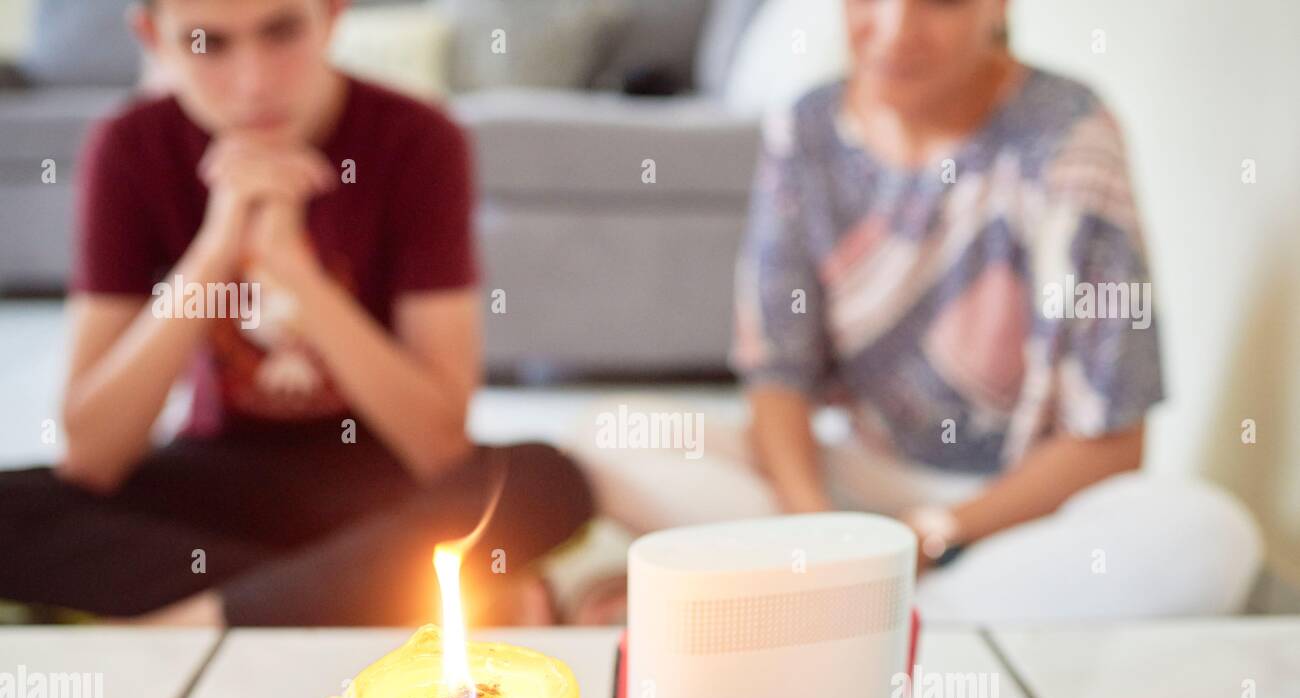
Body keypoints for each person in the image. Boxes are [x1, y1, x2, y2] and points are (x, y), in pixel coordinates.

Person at [568, 0, 1262, 622]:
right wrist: (818, 532)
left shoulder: (1073, 136)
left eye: (941, 2)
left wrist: (932, 534)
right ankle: (860, 600)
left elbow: (1114, 445)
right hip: (857, 483)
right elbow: (778, 377)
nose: (896, 29)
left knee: (1209, 537)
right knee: (608, 434)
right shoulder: (805, 127)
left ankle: (886, 614)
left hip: (1012, 513)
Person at [0, 0, 593, 627]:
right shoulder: (130, 146)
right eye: (208, 43)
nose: (254, 81)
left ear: (332, 16)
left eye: (281, 31)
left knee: (541, 481)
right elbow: (92, 457)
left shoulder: (419, 137)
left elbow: (440, 447)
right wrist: (216, 246)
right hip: (220, 475)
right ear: (154, 39)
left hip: (381, 482)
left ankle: (201, 619)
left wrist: (295, 275)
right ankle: (356, 594)